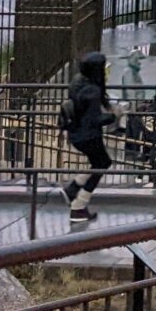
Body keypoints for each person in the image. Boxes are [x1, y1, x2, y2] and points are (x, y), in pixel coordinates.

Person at [62, 52, 117, 221]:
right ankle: (78, 207)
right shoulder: (92, 91)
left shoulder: (77, 81)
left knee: (97, 162)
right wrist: (115, 116)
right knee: (103, 163)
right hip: (88, 136)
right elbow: (95, 120)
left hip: (75, 132)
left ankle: (73, 188)